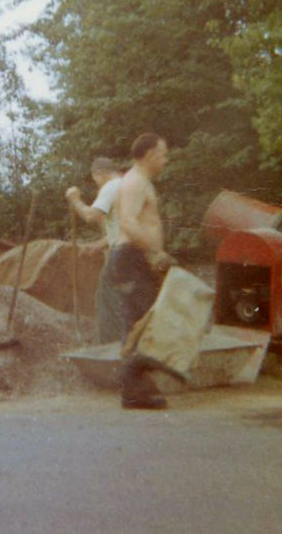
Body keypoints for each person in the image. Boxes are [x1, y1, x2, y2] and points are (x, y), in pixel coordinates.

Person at [111, 133, 176, 409]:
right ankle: (131, 387)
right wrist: (154, 252)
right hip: (132, 257)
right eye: (162, 154)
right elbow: (128, 223)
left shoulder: (138, 181)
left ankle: (138, 389)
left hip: (135, 257)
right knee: (141, 323)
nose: (165, 160)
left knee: (142, 322)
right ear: (149, 155)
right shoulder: (135, 183)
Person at [65, 157, 125, 343]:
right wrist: (98, 245)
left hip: (121, 254)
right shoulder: (128, 186)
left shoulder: (111, 186)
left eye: (95, 178)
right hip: (131, 250)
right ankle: (126, 342)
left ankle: (109, 347)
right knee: (125, 300)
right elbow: (123, 229)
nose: (96, 183)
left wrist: (75, 201)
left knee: (106, 300)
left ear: (99, 173)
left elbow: (91, 216)